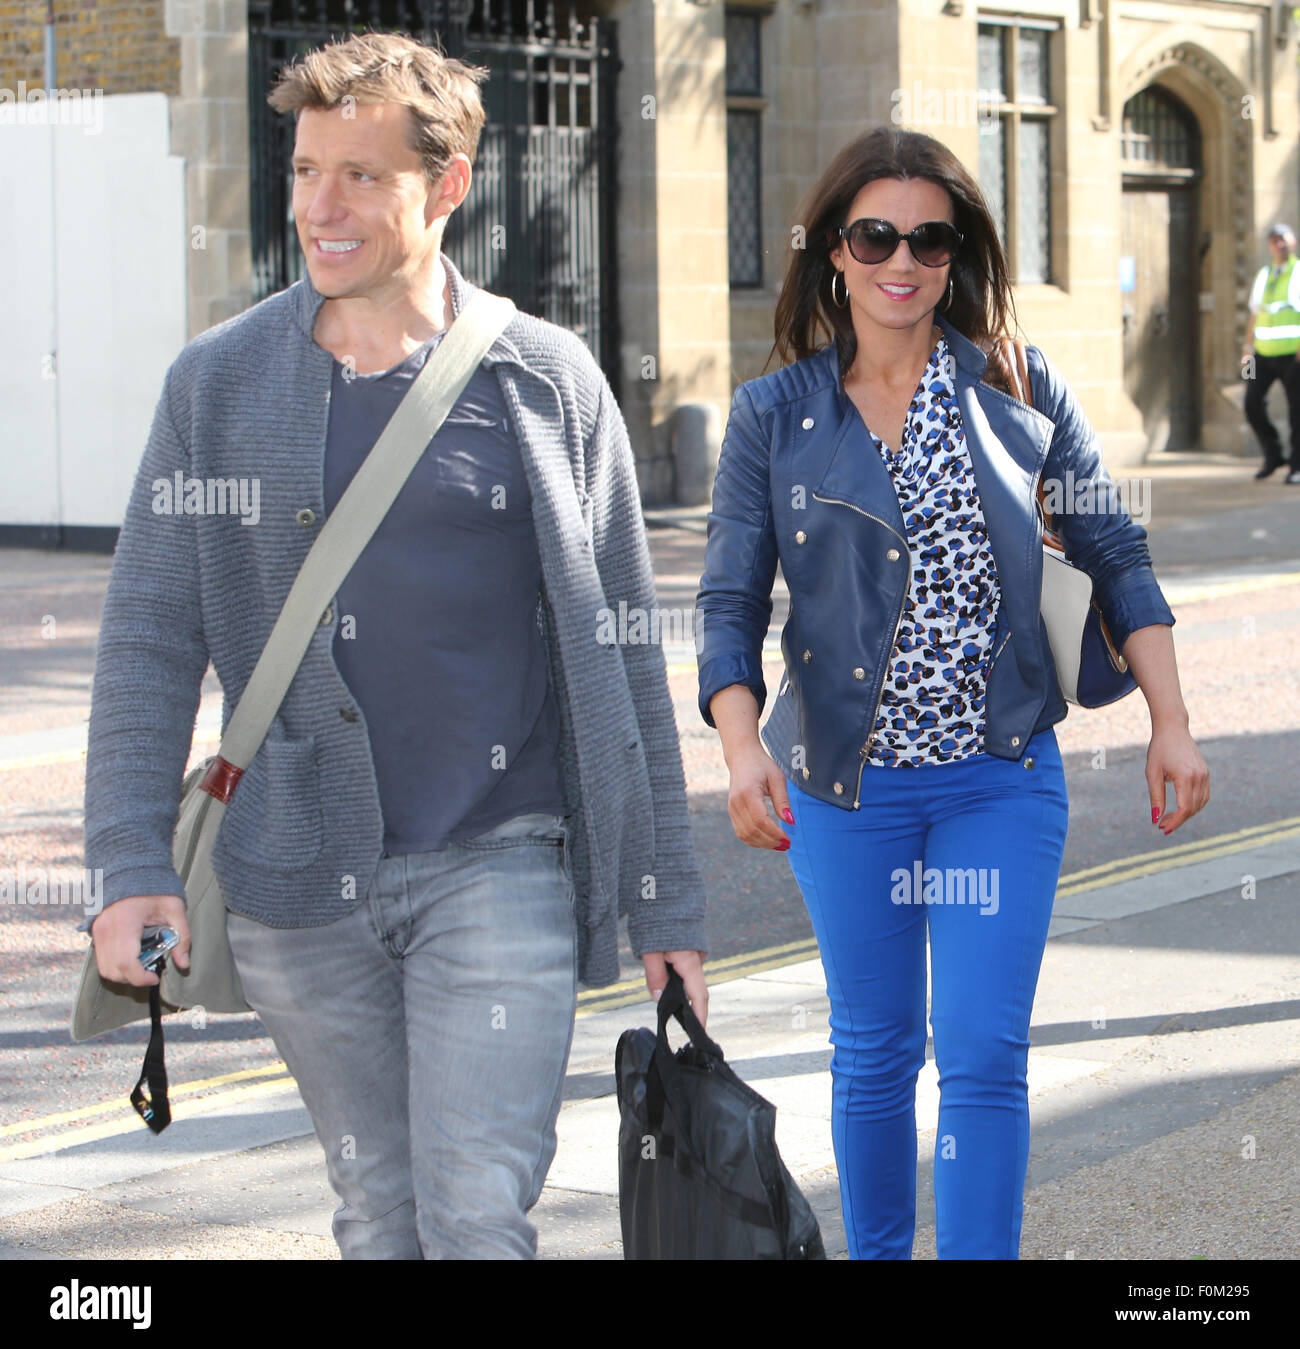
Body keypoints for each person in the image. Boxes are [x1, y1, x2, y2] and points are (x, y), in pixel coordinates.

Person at [81, 31, 708, 1259]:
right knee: (379, 1211)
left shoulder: (549, 382)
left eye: (363, 175)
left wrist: (662, 897)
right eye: (308, 168)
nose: (323, 205)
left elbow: (628, 655)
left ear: (451, 186)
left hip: (502, 858)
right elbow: (150, 635)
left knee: (476, 1208)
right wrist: (126, 865)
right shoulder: (215, 387)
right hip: (298, 878)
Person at [695, 126, 1209, 1260]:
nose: (903, 258)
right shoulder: (775, 416)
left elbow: (1116, 555)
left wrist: (1170, 722)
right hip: (846, 784)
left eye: (930, 238)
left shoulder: (1017, 390)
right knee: (875, 1048)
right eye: (876, 233)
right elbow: (728, 604)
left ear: (953, 253)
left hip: (998, 778)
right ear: (835, 248)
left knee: (981, 1052)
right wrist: (742, 749)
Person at [1243, 222, 1300, 482]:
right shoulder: (1264, 274)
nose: (1280, 244)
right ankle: (1273, 454)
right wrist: (1247, 349)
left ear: (1293, 242)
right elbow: (1255, 314)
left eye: (1284, 239)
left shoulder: (1298, 271)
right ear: (1269, 245)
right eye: (1275, 240)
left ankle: (1297, 467)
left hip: (1293, 355)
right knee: (1251, 403)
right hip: (1261, 355)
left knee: (1297, 410)